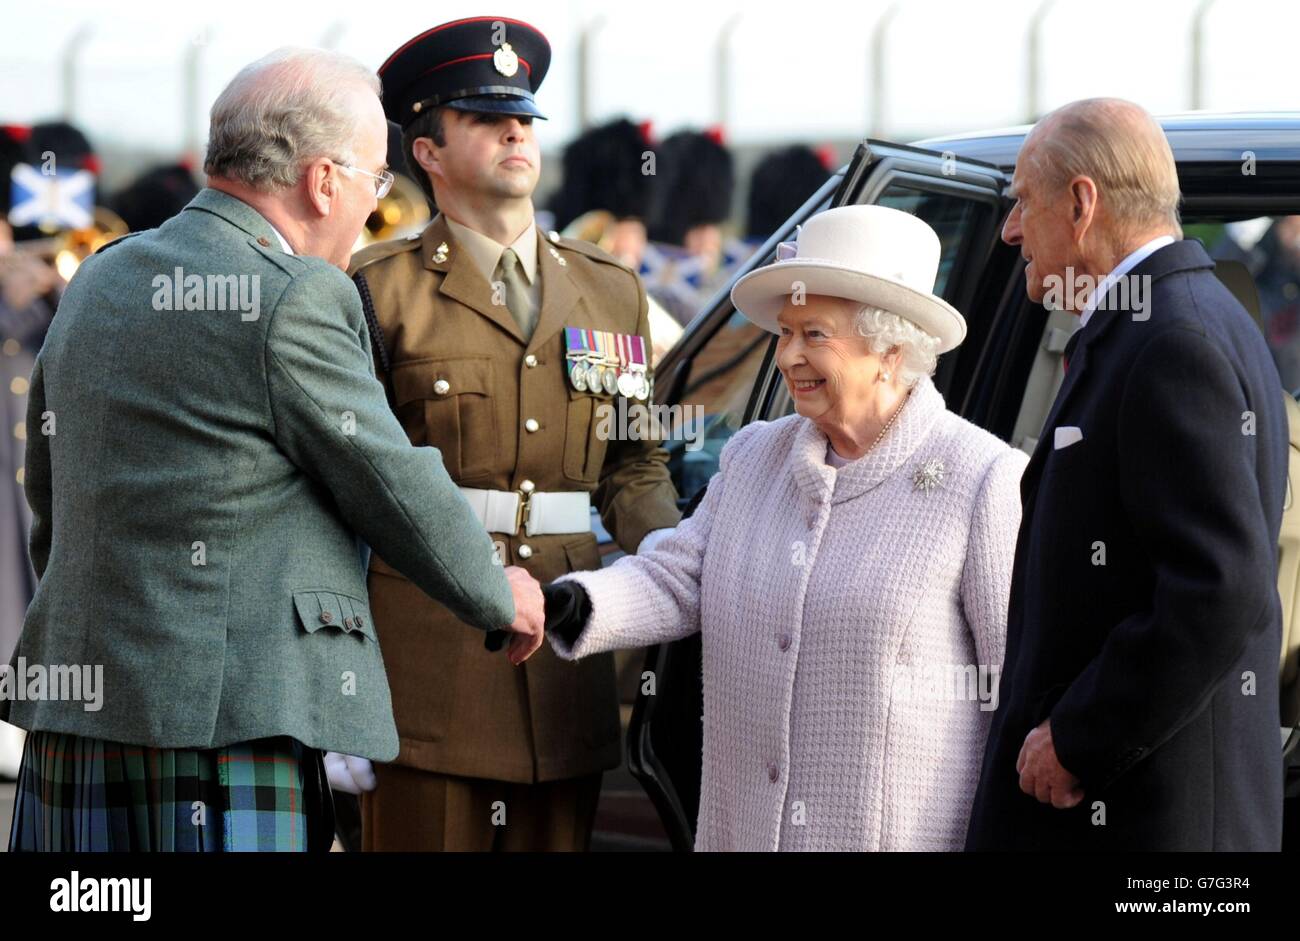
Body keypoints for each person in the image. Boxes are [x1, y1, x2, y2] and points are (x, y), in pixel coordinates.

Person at [2, 47, 543, 852]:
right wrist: (498, 594)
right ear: (324, 180)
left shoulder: (101, 277)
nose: (371, 208)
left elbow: (49, 493)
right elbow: (388, 480)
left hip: (76, 719)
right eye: (374, 181)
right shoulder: (295, 295)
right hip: (222, 728)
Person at [536, 204, 1028, 850]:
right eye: (785, 332)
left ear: (891, 350)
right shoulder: (752, 457)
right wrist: (568, 603)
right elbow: (677, 574)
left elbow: (1016, 700)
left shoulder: (982, 480)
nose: (788, 354)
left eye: (814, 334)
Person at [346, 18, 682, 852]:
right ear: (427, 150)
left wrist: (687, 568)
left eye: (526, 118)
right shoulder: (378, 289)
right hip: (430, 656)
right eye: (485, 117)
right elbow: (353, 476)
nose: (516, 132)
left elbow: (634, 463)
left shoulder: (610, 290)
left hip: (569, 656)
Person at [965, 98, 1287, 851]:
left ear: (1081, 204)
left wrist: (1080, 735)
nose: (1011, 229)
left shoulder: (1172, 340)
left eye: (1022, 201)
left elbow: (1218, 587)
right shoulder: (1173, 318)